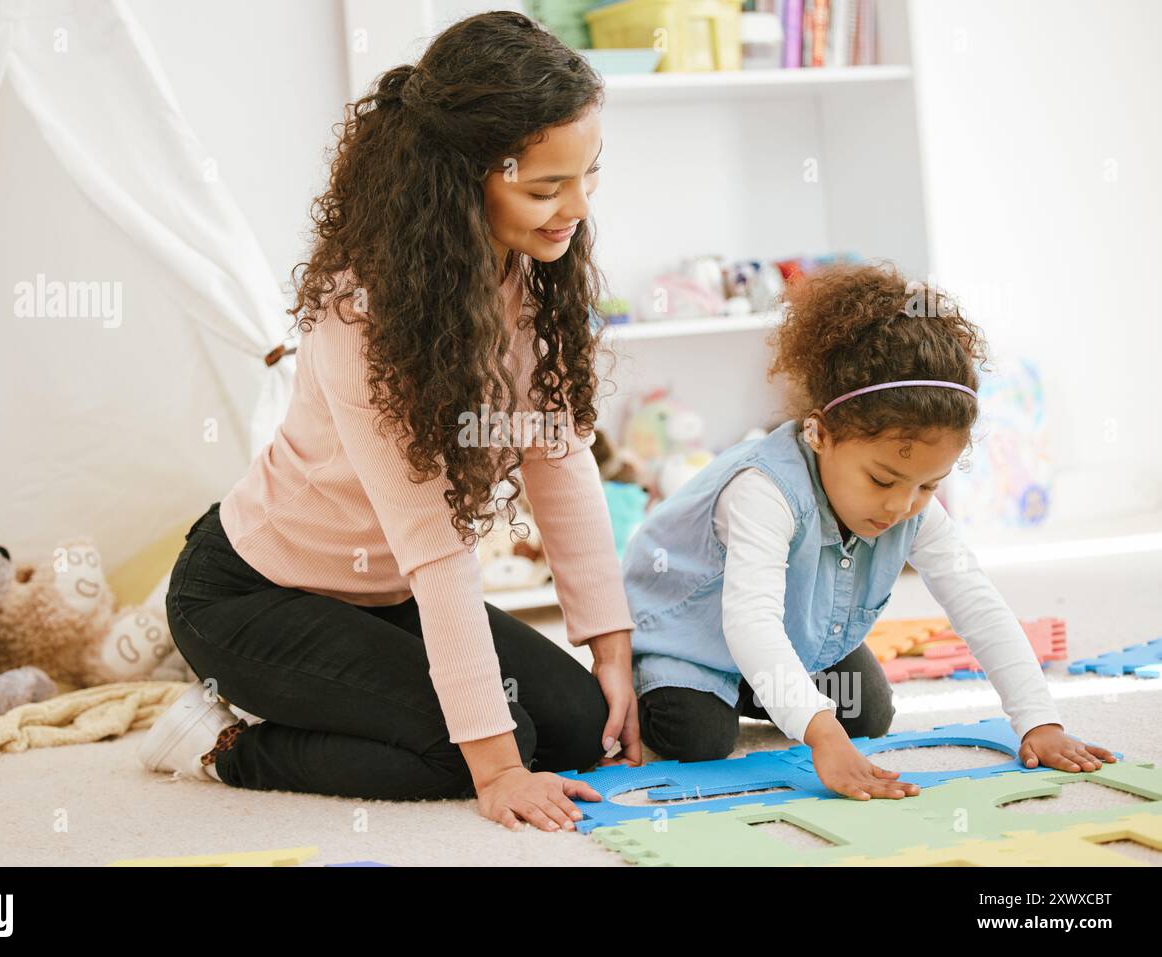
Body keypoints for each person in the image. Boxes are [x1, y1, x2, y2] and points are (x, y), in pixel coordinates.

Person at [138, 11, 640, 833]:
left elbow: (560, 457)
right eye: (547, 188)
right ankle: (223, 741)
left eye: (587, 176)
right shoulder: (361, 314)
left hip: (383, 591)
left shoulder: (530, 271)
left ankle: (352, 704)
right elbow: (435, 545)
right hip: (252, 594)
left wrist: (610, 648)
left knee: (581, 727)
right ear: (461, 178)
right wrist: (500, 770)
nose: (576, 208)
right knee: (461, 754)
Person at [621, 261, 1116, 800]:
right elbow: (750, 624)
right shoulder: (763, 491)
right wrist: (819, 734)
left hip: (794, 636)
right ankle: (663, 681)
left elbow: (978, 603)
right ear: (820, 432)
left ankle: (765, 692)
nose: (902, 504)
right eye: (883, 478)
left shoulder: (912, 505)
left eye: (928, 485)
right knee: (699, 737)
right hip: (693, 641)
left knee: (867, 710)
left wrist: (1038, 720)